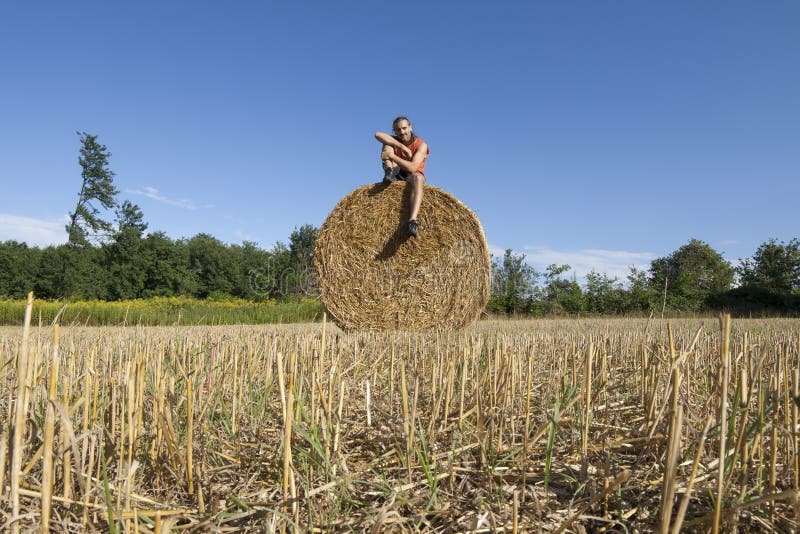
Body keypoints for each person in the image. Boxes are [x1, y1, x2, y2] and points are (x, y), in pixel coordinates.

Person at [374, 116, 429, 237]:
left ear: (410, 127)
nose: (402, 132)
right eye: (398, 130)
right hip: (396, 170)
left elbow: (413, 168)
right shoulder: (395, 140)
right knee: (387, 144)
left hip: (411, 174)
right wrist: (401, 147)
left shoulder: (421, 145)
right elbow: (377, 134)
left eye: (404, 128)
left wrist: (392, 156)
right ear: (394, 131)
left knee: (418, 178)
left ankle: (412, 220)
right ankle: (389, 172)